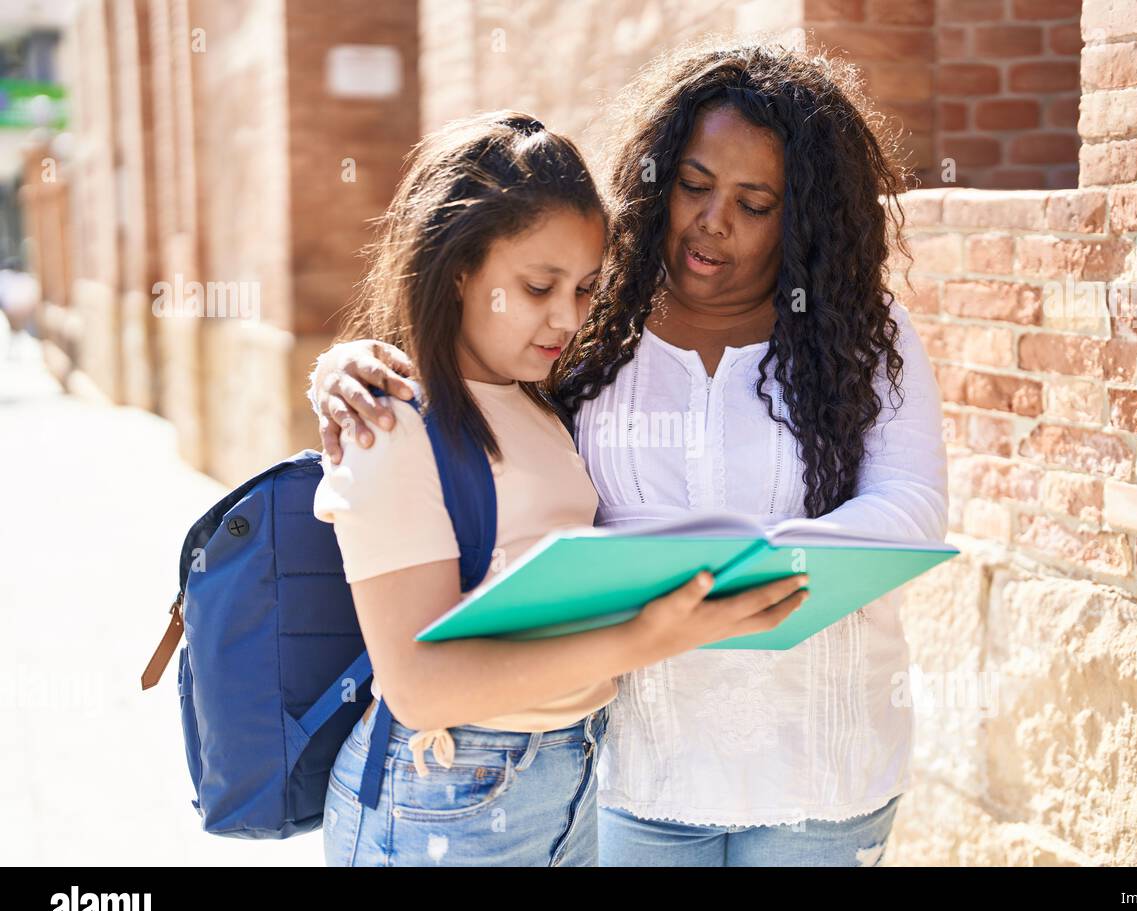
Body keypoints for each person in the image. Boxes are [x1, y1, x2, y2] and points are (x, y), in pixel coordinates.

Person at [310, 41, 947, 867]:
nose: (714, 221)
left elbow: (912, 504)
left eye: (756, 203)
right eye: (693, 187)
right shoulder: (592, 321)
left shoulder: (866, 332)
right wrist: (344, 363)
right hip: (632, 770)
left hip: (819, 763)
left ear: (804, 217)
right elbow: (467, 365)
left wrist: (751, 573)